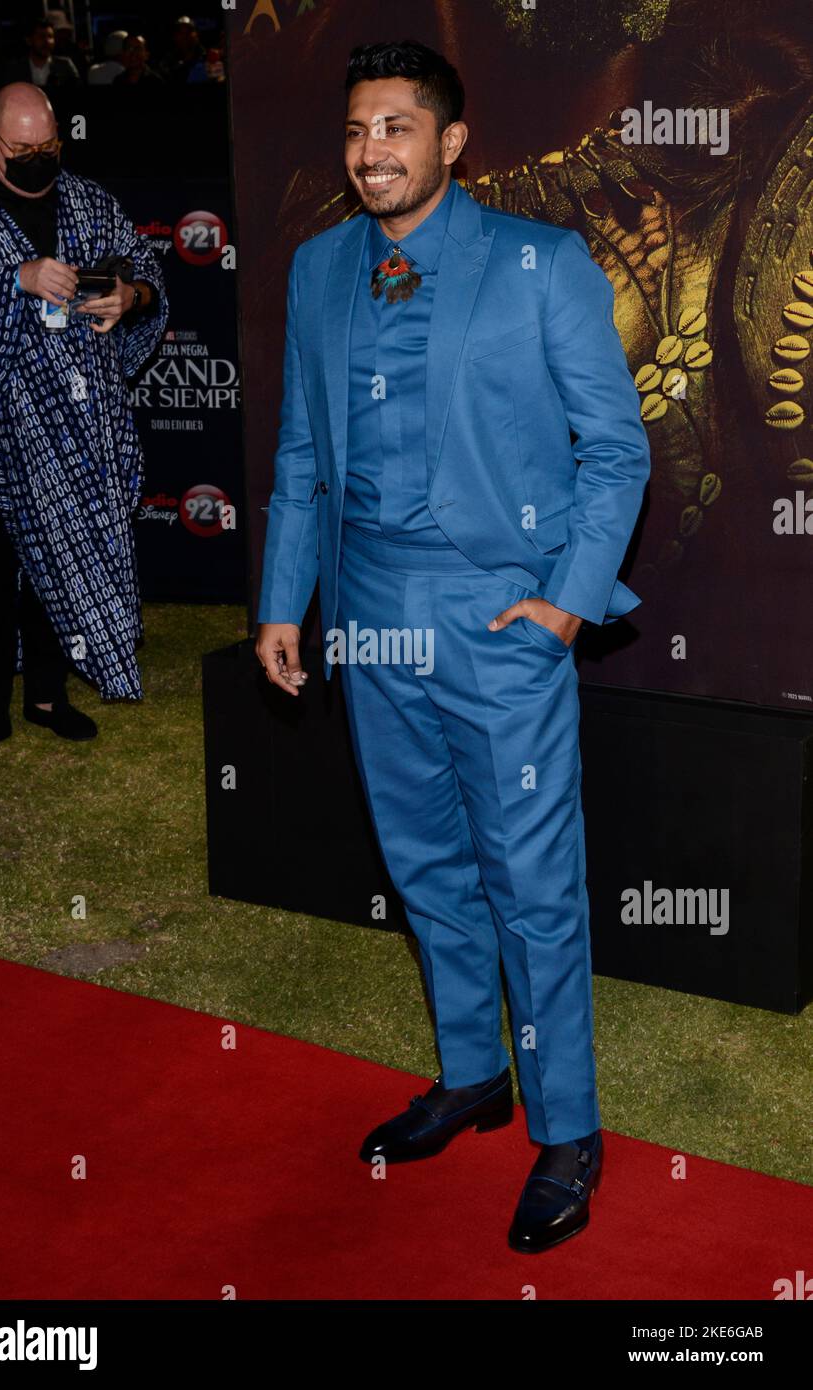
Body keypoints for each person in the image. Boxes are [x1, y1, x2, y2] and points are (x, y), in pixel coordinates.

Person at [255, 40, 651, 1254]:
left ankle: (567, 1129)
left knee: (533, 886)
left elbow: (617, 448)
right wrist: (285, 601)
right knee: (425, 865)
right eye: (358, 130)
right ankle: (475, 1073)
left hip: (497, 616)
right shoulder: (319, 268)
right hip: (369, 612)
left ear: (451, 142)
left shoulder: (539, 264)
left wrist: (568, 602)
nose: (372, 151)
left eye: (397, 129)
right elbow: (300, 456)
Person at [0, 82, 167, 762]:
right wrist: (18, 278)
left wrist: (128, 296)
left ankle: (48, 696)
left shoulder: (90, 202)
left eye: (48, 146)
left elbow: (148, 272)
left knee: (57, 566)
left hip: (74, 432)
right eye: (22, 148)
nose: (38, 158)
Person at [4, 17, 81, 92]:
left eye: (50, 37)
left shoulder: (65, 65)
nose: (47, 41)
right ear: (29, 40)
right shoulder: (16, 69)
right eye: (41, 36)